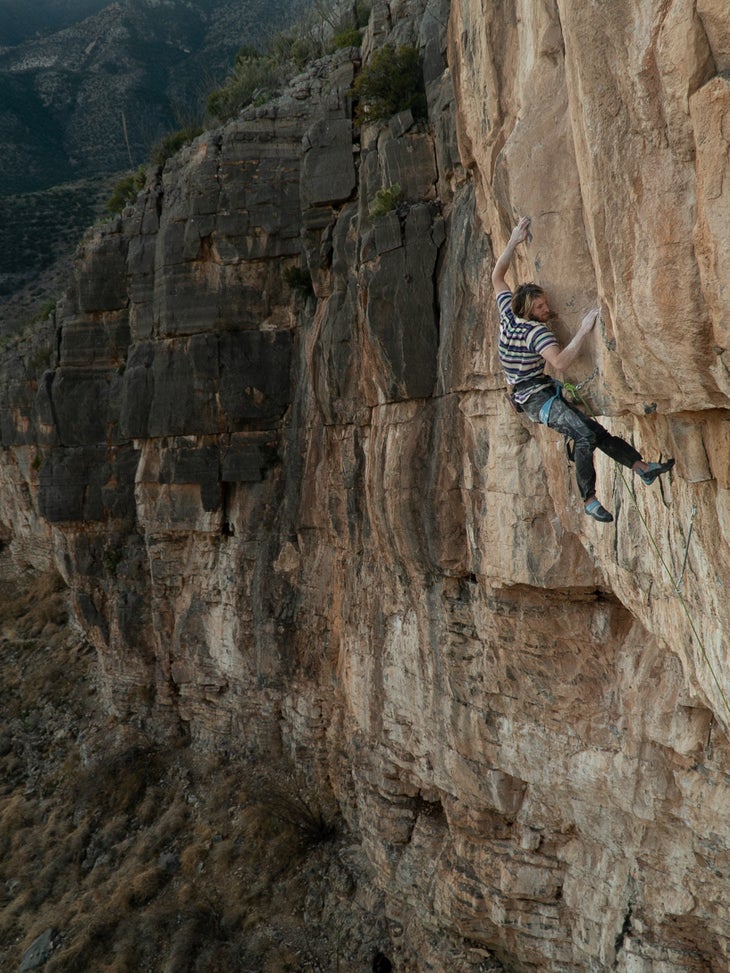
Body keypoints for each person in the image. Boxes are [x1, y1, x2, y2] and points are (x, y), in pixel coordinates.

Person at [491, 216, 675, 523]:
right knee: (585, 436)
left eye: (545, 303)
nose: (546, 309)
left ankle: (642, 468)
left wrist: (513, 241)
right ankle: (589, 500)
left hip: (534, 394)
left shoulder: (508, 317)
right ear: (528, 311)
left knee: (595, 433)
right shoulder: (536, 333)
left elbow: (498, 276)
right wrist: (583, 330)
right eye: (540, 307)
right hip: (536, 399)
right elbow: (560, 362)